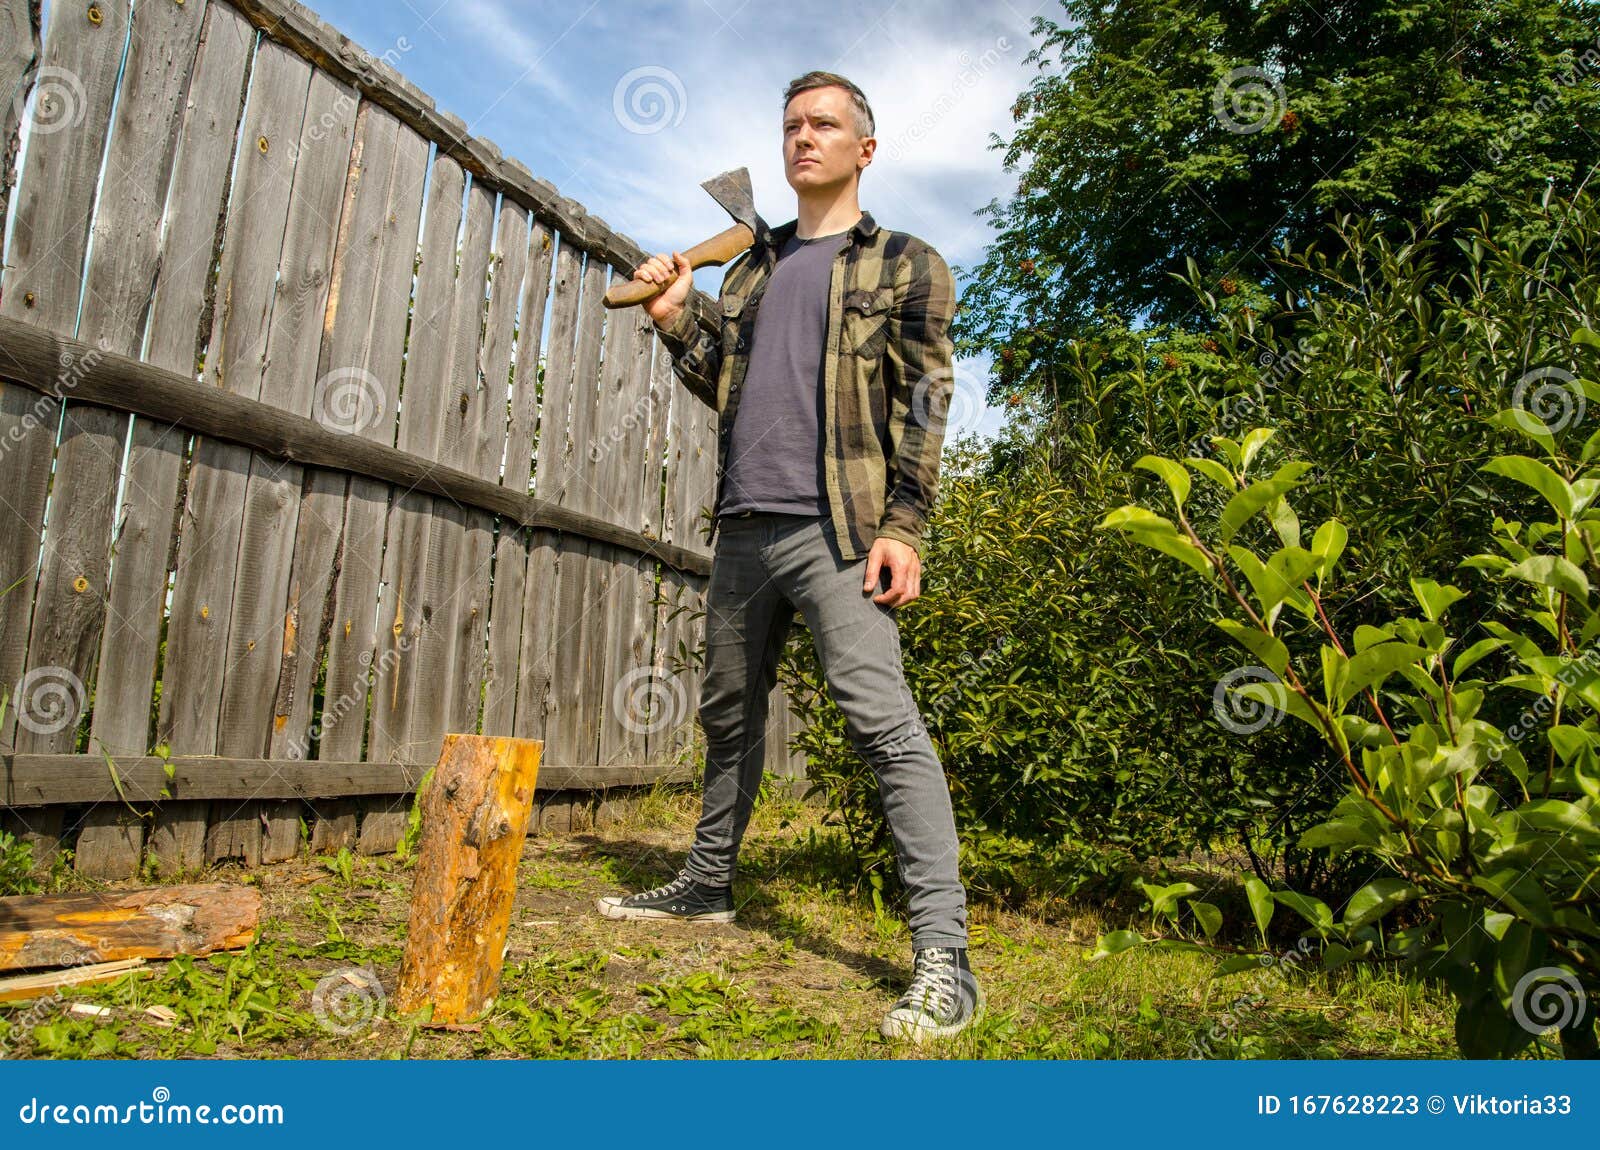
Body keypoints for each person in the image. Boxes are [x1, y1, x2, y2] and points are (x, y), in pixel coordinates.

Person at [595, 70, 980, 1043]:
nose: (803, 137)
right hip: (742, 523)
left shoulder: (905, 263)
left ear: (864, 148)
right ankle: (707, 883)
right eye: (791, 126)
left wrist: (905, 525)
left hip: (841, 527)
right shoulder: (750, 271)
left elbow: (926, 403)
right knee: (727, 714)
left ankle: (944, 956)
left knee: (883, 727)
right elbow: (723, 382)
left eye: (824, 124)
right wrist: (677, 314)